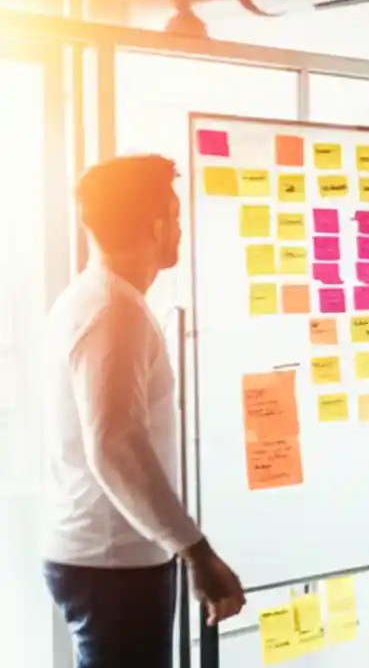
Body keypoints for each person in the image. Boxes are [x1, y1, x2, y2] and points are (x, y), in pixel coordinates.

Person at [43, 155, 246, 668]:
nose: (180, 229)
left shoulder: (93, 299)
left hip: (104, 554)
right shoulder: (114, 311)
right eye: (175, 216)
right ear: (155, 222)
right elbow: (113, 442)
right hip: (114, 562)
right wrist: (196, 551)